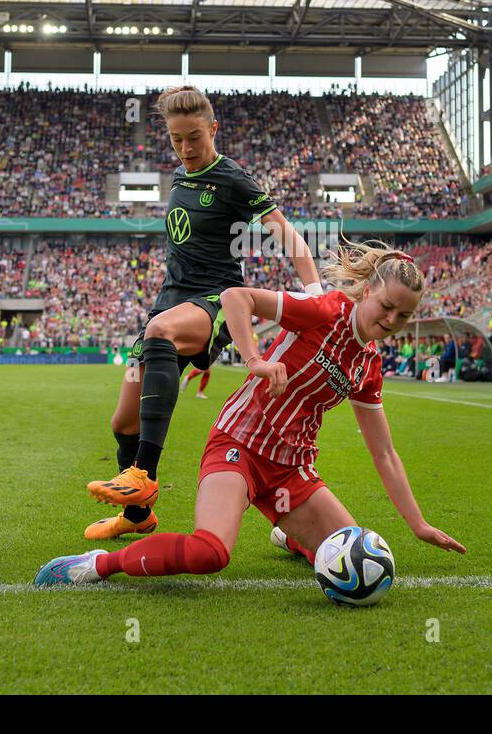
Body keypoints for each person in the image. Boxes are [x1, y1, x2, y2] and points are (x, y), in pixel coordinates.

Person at [35, 242, 465, 588]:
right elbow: (235, 297)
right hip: (238, 444)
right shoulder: (325, 312)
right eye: (387, 306)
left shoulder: (368, 365)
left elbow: (385, 453)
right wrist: (254, 358)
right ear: (368, 289)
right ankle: (99, 565)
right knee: (210, 553)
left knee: (354, 554)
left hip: (292, 471)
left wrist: (418, 523)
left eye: (403, 316)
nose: (391, 319)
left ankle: (289, 533)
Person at [85, 85, 321, 541]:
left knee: (159, 330)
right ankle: (138, 517)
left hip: (215, 301)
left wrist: (313, 292)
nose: (186, 148)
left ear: (214, 129)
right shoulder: (178, 175)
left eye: (194, 136)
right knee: (124, 423)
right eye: (176, 139)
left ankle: (143, 475)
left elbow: (286, 234)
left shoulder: (234, 179)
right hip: (170, 301)